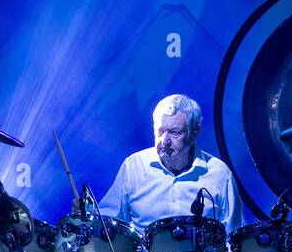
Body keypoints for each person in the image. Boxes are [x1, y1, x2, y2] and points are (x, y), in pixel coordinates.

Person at [91, 94, 242, 232]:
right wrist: (86, 214)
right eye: (160, 132)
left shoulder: (220, 174)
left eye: (175, 132)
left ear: (195, 132)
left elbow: (234, 238)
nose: (165, 141)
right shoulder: (133, 167)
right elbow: (107, 223)